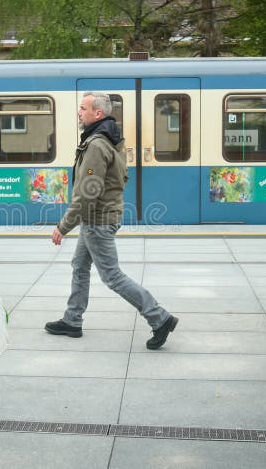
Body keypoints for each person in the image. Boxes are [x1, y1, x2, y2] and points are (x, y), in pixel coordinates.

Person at [45, 92, 178, 349]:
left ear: (98, 114)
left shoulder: (96, 145)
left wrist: (63, 226)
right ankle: (72, 320)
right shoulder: (110, 137)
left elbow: (87, 194)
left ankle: (159, 317)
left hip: (97, 219)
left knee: (112, 276)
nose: (78, 113)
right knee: (79, 265)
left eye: (83, 108)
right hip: (100, 216)